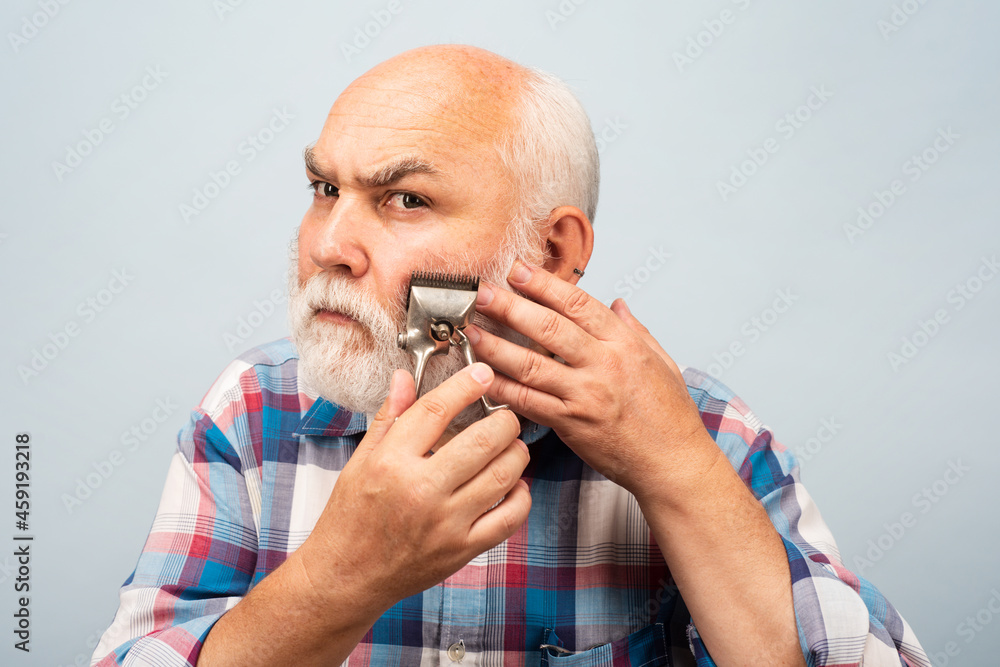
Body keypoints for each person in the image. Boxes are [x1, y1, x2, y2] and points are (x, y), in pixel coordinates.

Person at [92, 44, 928, 667]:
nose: (328, 246)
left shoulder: (702, 431)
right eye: (325, 189)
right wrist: (335, 580)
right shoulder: (251, 413)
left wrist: (678, 470)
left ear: (554, 252)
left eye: (404, 198)